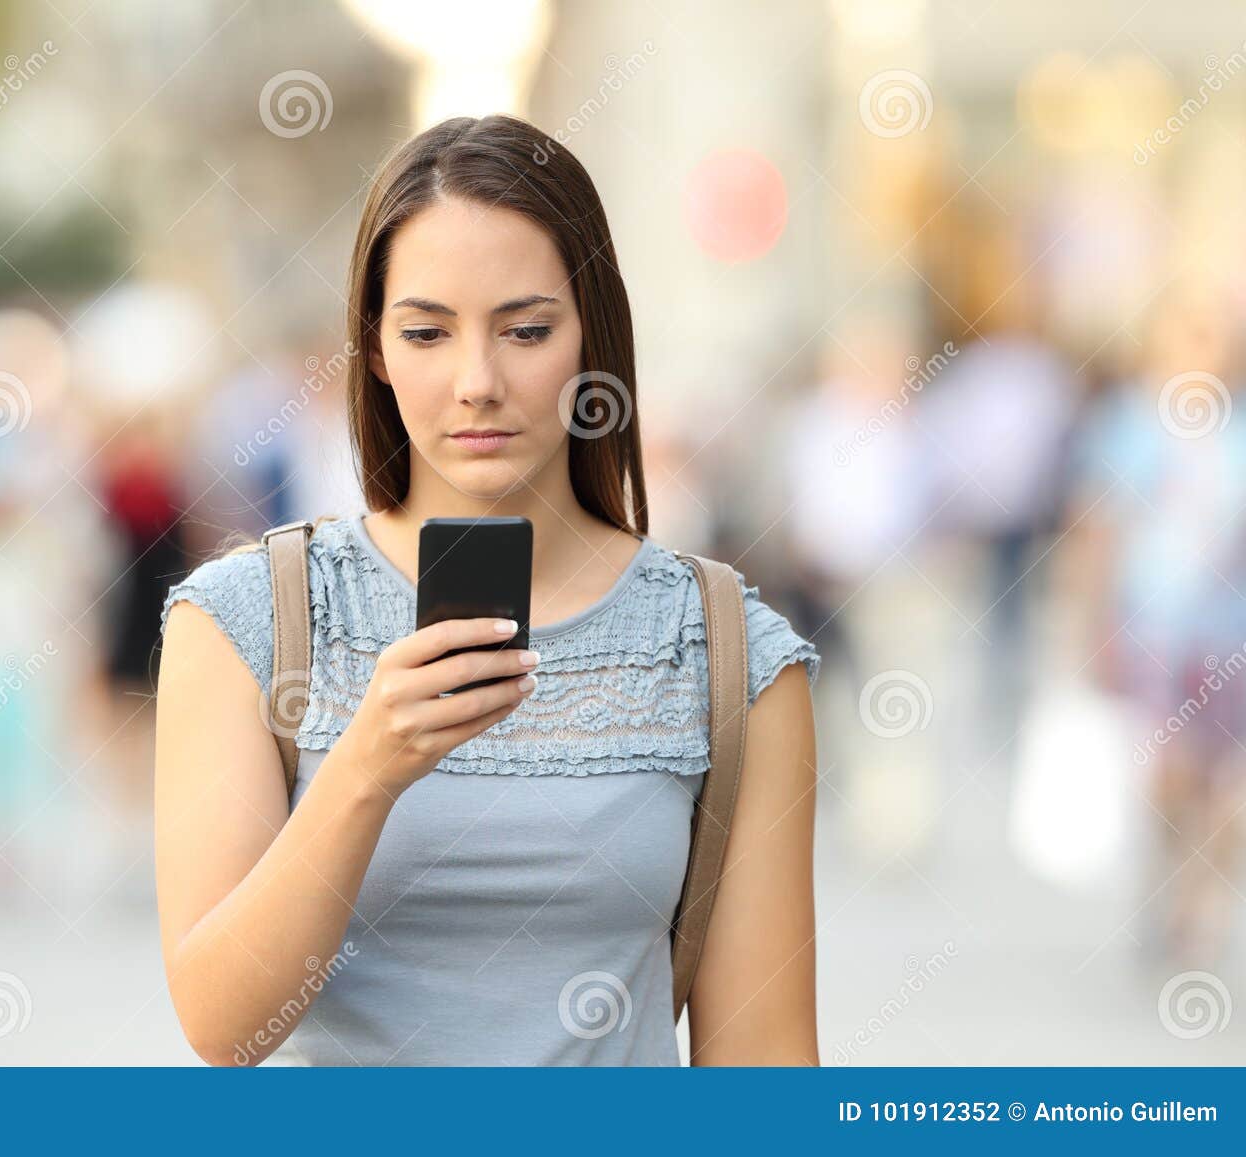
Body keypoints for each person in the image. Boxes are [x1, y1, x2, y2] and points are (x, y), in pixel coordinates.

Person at [154, 115, 821, 1067]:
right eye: (426, 331)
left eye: (527, 329)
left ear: (594, 335)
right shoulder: (247, 621)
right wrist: (365, 769)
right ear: (374, 350)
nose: (477, 381)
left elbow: (763, 1064)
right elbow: (225, 1027)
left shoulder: (729, 652)